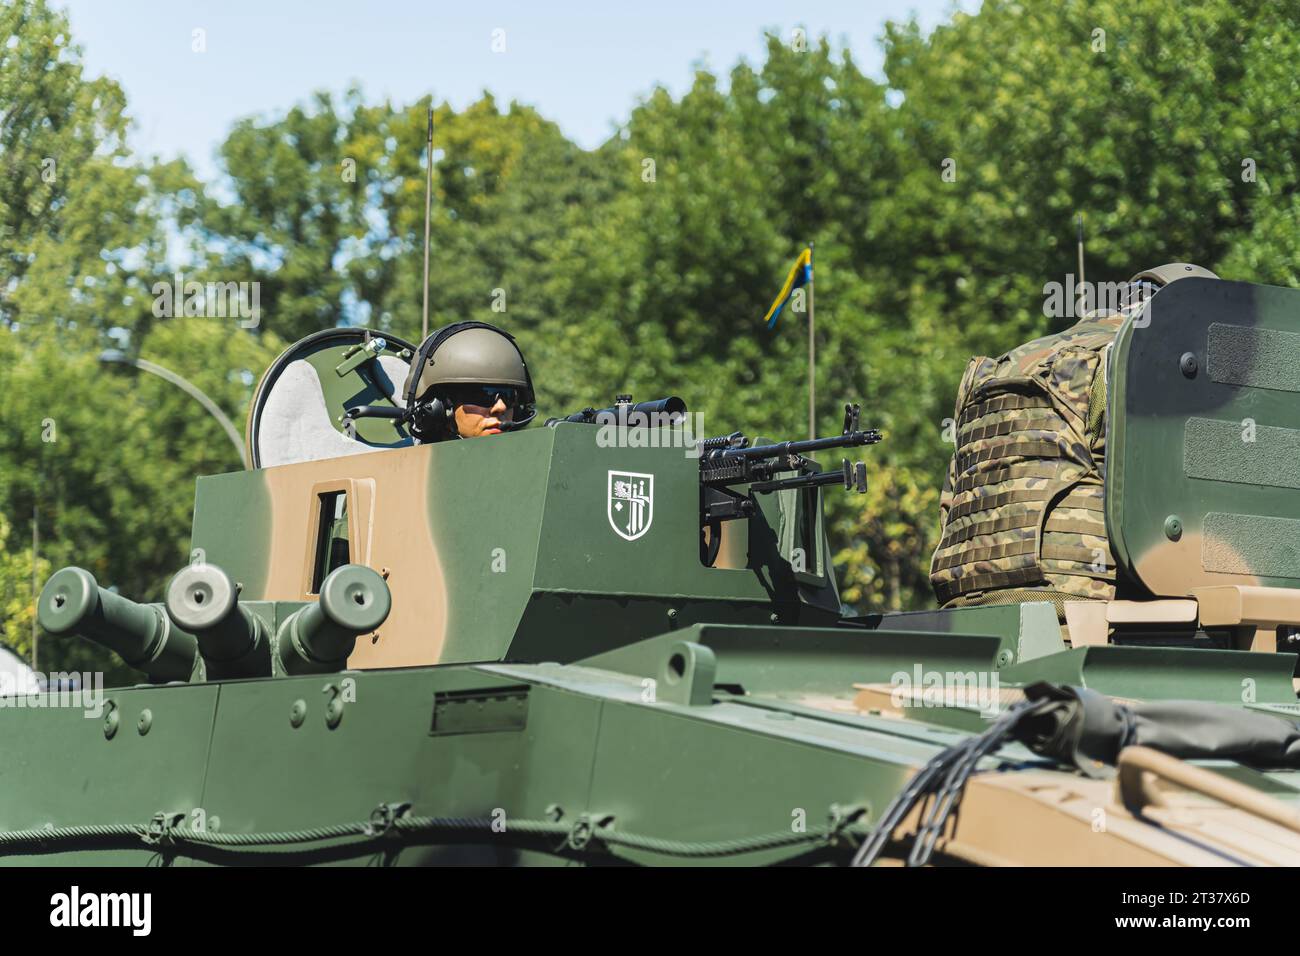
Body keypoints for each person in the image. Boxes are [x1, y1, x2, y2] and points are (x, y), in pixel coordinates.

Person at [401, 321, 537, 443]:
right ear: (438, 408)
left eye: (509, 396)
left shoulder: (533, 465)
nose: (501, 407)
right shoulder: (399, 467)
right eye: (483, 395)